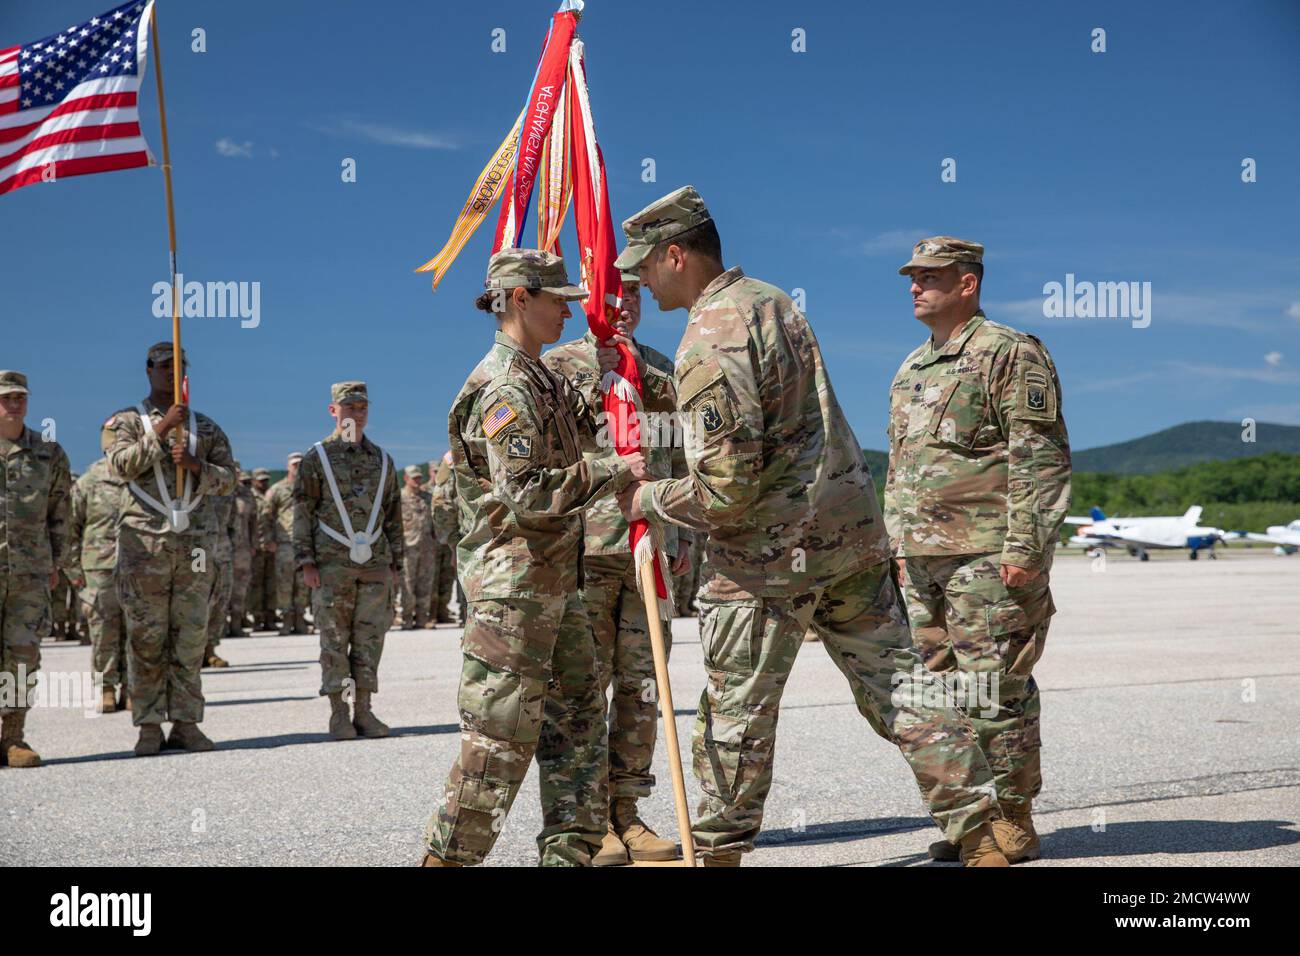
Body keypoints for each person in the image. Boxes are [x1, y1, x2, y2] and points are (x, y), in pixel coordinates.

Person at [614, 187, 1008, 866]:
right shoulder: (772, 300)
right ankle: (979, 833)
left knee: (735, 715)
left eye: (644, 266)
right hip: (848, 540)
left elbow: (727, 489)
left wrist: (649, 498)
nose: (639, 281)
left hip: (767, 559)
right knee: (903, 689)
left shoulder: (710, 338)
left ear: (675, 255)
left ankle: (716, 854)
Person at [420, 249, 649, 867]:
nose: (568, 314)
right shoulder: (504, 385)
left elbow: (589, 432)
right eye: (558, 301)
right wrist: (611, 468)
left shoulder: (543, 376)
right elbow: (526, 492)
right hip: (513, 592)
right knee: (498, 741)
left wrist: (607, 381)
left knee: (578, 730)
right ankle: (448, 861)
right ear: (520, 298)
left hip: (557, 586)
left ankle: (570, 855)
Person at [885, 237, 1071, 863]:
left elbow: (1038, 457)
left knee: (995, 690)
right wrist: (895, 549)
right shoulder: (912, 367)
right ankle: (975, 818)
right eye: (912, 276)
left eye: (931, 276)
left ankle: (1014, 817)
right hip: (919, 559)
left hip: (987, 556)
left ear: (968, 284)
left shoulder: (1010, 354)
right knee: (937, 695)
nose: (916, 286)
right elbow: (903, 469)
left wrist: (1027, 547)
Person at [542, 268, 687, 865]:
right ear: (586, 302)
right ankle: (586, 822)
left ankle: (628, 814)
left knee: (642, 686)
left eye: (630, 295)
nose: (622, 305)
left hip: (647, 548)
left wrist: (677, 533)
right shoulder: (558, 365)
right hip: (587, 547)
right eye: (608, 296)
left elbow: (675, 454)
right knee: (583, 689)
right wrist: (598, 371)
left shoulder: (659, 368)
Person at [103, 342, 236, 756]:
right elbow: (119, 465)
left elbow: (230, 479)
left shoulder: (206, 428)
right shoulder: (124, 421)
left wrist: (198, 465)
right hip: (145, 545)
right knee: (145, 636)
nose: (169, 374)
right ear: (148, 371)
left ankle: (186, 723)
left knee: (190, 637)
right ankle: (147, 725)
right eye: (162, 367)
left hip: (193, 545)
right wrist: (159, 432)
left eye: (177, 368)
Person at [292, 382, 403, 740]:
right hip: (331, 563)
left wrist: (396, 565)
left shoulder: (383, 461)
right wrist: (306, 561)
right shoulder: (316, 458)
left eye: (362, 407)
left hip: (375, 564)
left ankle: (365, 712)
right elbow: (302, 512)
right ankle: (339, 714)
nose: (356, 413)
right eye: (349, 407)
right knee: (335, 640)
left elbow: (393, 516)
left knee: (370, 639)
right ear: (333, 411)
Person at [0, 371, 71, 767]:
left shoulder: (48, 453)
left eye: (20, 397)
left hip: (29, 573)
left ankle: (12, 738)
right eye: (7, 397)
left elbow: (60, 512)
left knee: (22, 656)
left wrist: (56, 562)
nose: (15, 404)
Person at [66, 457, 129, 713]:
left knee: (139, 630)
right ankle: (106, 688)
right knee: (104, 629)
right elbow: (70, 526)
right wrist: (73, 569)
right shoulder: (89, 481)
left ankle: (133, 688)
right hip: (98, 567)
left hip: (140, 567)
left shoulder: (142, 477)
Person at [269, 453, 311, 635]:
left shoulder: (310, 488)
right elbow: (265, 515)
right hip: (284, 543)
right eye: (294, 464)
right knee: (284, 584)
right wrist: (269, 539)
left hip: (305, 544)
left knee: (303, 584)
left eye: (300, 464)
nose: (297, 467)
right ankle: (286, 620)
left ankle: (300, 619)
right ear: (288, 466)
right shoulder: (277, 489)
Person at [399, 465, 436, 629]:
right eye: (414, 478)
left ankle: (422, 618)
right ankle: (406, 618)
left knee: (425, 583)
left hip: (427, 546)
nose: (417, 480)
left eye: (419, 477)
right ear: (406, 478)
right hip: (408, 548)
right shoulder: (400, 498)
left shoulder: (428, 497)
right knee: (407, 584)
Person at [228, 467, 257, 637]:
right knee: (219, 588)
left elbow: (254, 520)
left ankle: (236, 624)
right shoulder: (215, 490)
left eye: (237, 472)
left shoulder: (247, 494)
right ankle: (219, 627)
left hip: (242, 548)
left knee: (240, 587)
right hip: (219, 547)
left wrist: (254, 544)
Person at [248, 468, 276, 630]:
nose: (263, 483)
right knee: (256, 585)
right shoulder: (250, 496)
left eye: (266, 480)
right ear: (253, 481)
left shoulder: (271, 495)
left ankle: (270, 618)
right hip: (256, 547)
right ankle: (257, 618)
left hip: (271, 546)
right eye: (260, 480)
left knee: (272, 585)